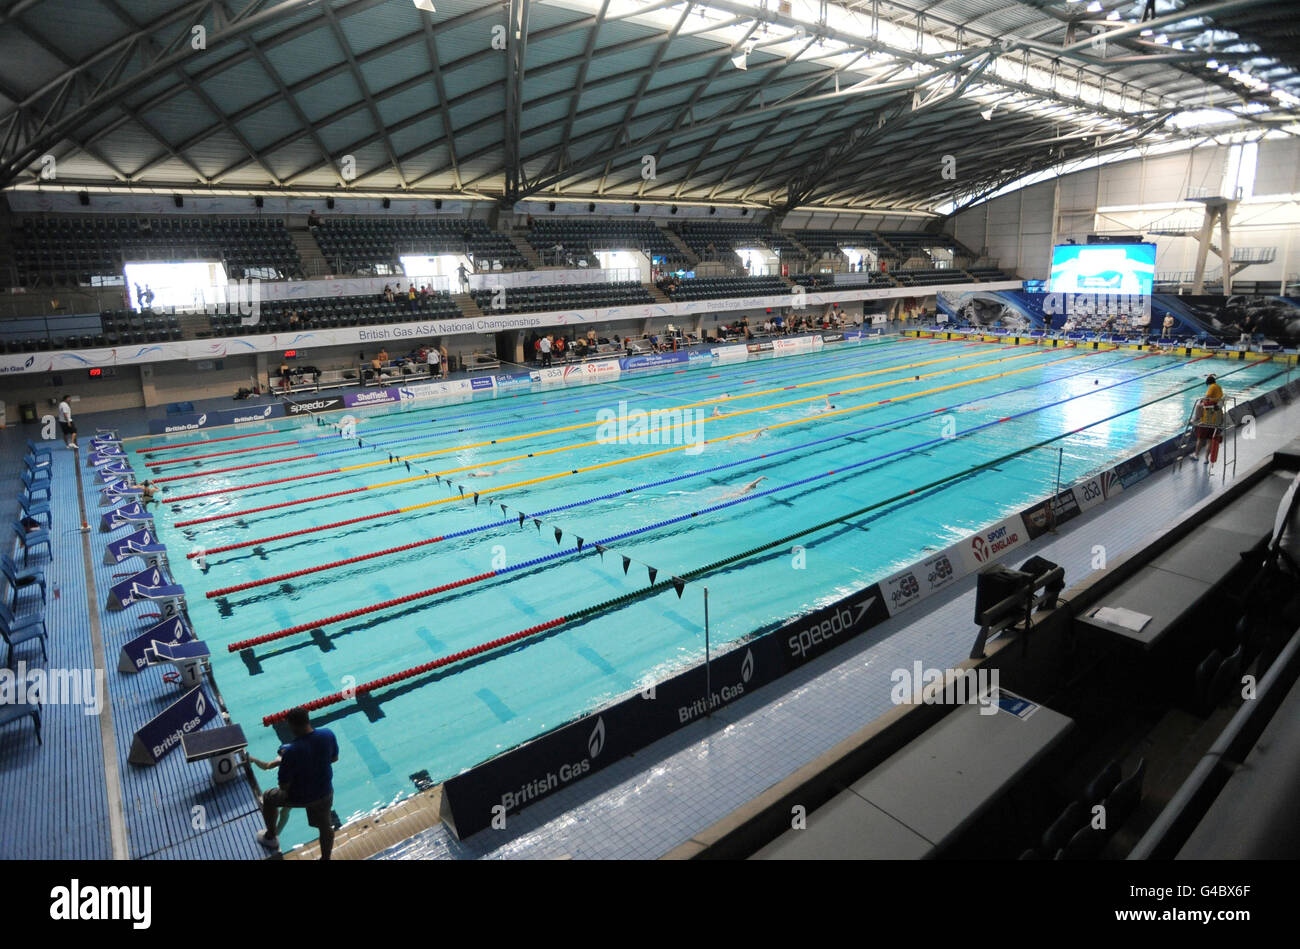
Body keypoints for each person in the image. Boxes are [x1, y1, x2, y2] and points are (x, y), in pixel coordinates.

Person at [254, 707, 339, 859]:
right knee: (325, 826)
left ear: (291, 725)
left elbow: (283, 786)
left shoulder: (291, 752)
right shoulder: (328, 734)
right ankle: (326, 858)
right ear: (308, 719)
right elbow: (333, 758)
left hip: (300, 796)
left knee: (268, 796)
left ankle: (271, 837)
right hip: (325, 792)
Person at [1193, 375, 1225, 465]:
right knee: (1209, 440)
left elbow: (1206, 397)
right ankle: (1206, 458)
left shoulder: (1212, 387)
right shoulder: (1218, 387)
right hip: (1216, 421)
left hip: (1206, 420)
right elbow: (1218, 399)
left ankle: (1196, 455)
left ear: (1208, 383)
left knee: (1200, 439)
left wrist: (1203, 400)